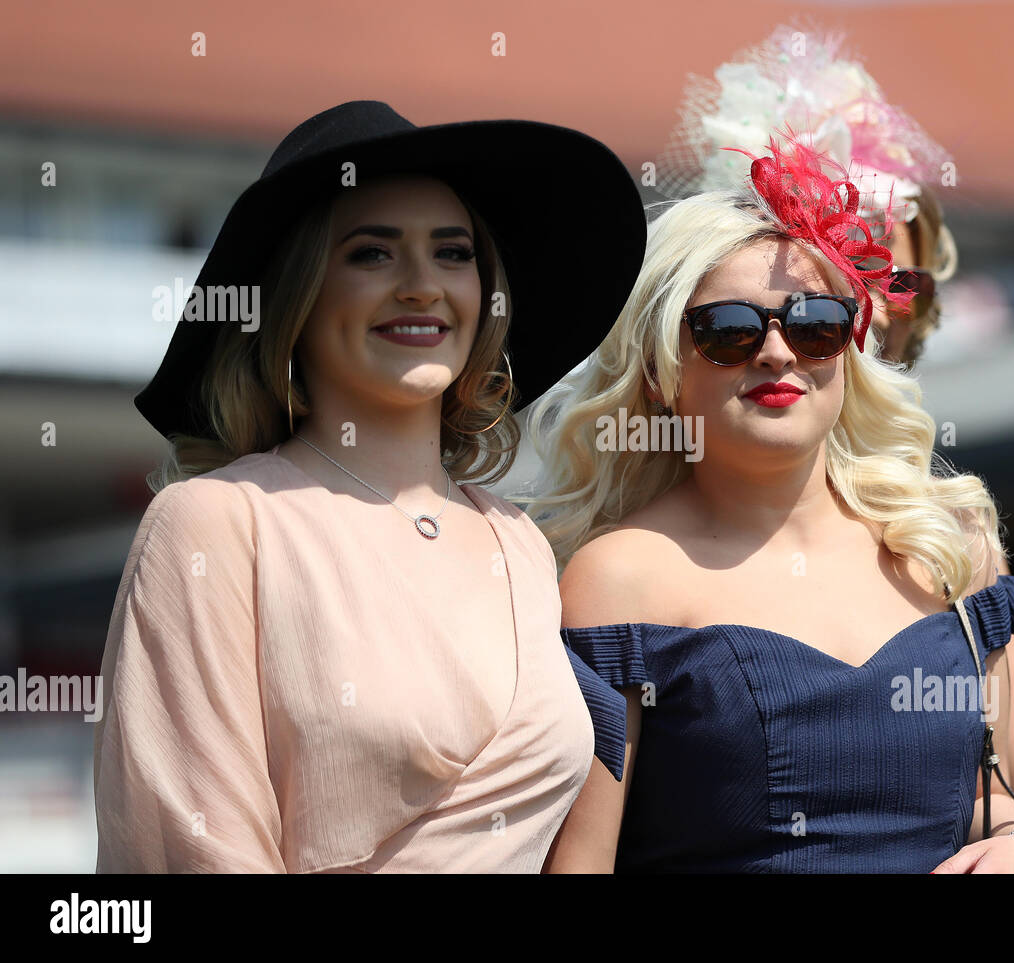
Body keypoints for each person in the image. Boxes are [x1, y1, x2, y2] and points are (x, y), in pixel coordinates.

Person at [92, 100, 647, 873]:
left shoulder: (518, 541)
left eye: (452, 253)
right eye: (372, 254)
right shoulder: (216, 523)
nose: (422, 285)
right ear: (296, 295)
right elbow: (193, 843)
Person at [528, 136, 1014, 873]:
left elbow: (1010, 800)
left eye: (815, 325)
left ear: (850, 348)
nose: (777, 352)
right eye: (728, 331)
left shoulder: (950, 546)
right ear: (657, 371)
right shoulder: (617, 578)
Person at [658, 22, 1014, 837]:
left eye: (891, 280)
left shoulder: (951, 533)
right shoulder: (632, 553)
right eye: (741, 321)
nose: (871, 309)